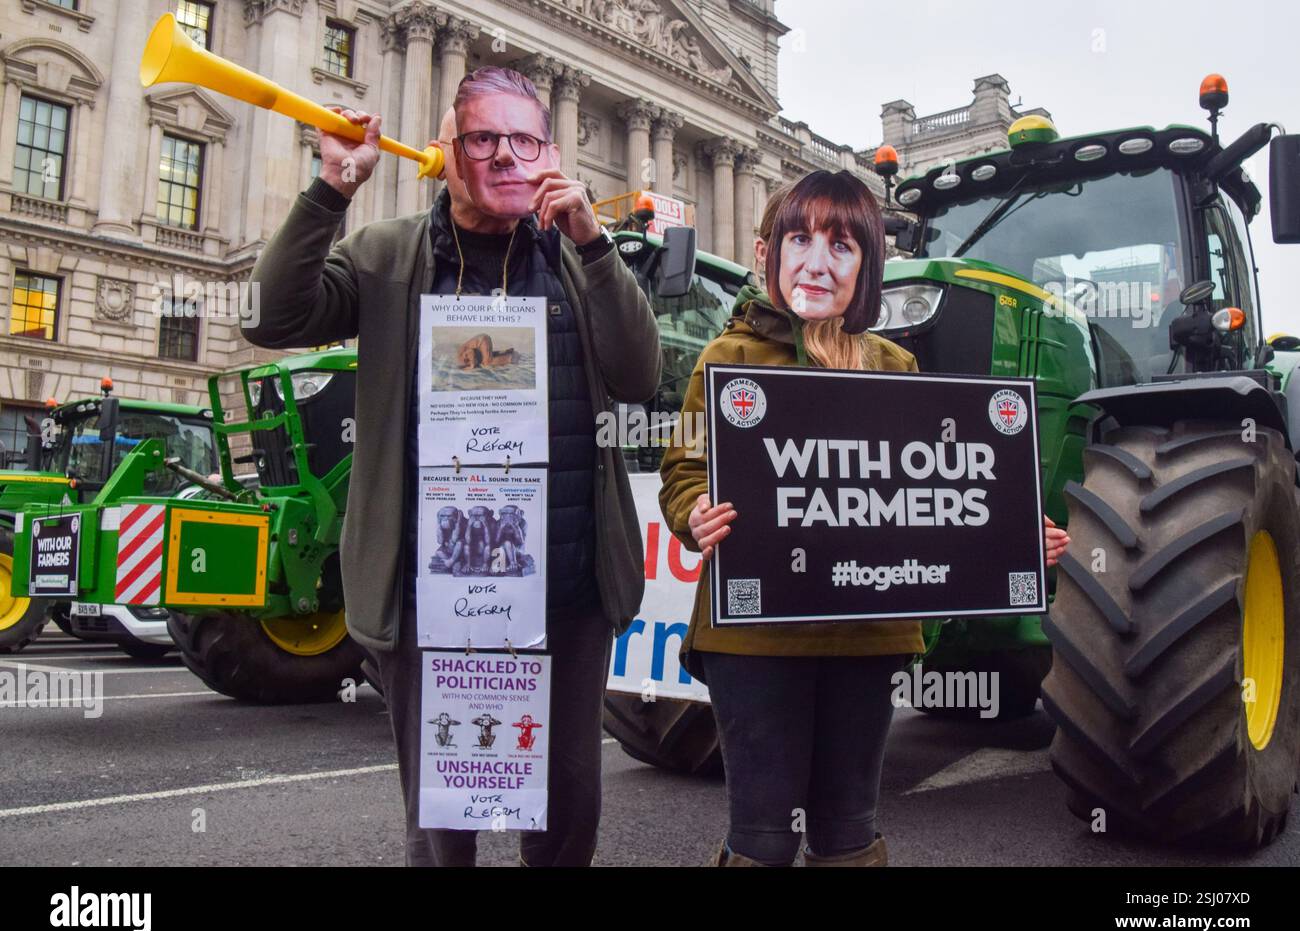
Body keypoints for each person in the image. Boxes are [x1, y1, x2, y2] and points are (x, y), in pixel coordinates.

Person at [244, 67, 661, 866]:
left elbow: (640, 376)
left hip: (563, 596)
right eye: (482, 138)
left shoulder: (580, 259)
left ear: (550, 155)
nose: (506, 156)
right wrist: (330, 190)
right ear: (445, 150)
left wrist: (596, 244)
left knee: (565, 808)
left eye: (525, 140)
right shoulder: (386, 254)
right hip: (431, 595)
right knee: (445, 821)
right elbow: (272, 317)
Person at [659, 170, 1070, 867]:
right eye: (800, 239)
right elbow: (684, 471)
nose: (817, 262)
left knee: (849, 830)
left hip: (867, 637)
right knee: (762, 837)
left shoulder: (897, 365)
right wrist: (693, 513)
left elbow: (937, 487)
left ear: (867, 269)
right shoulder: (727, 359)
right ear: (770, 254)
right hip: (756, 644)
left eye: (842, 246)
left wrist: (1013, 538)